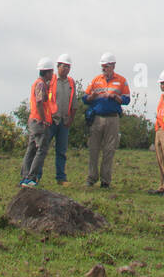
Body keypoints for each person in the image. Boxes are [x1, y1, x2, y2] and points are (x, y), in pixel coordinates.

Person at [84, 52, 130, 190]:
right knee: (93, 149)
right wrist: (91, 97)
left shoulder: (122, 81)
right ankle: (91, 178)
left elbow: (127, 99)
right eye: (102, 66)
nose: (103, 68)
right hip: (97, 118)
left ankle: (105, 181)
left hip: (112, 118)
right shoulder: (95, 80)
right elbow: (85, 98)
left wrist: (116, 97)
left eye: (106, 66)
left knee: (109, 150)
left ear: (113, 66)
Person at [36, 54, 75, 186]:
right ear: (58, 66)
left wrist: (71, 118)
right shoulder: (49, 80)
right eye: (63, 66)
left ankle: (61, 178)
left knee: (61, 151)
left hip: (64, 122)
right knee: (42, 149)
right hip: (51, 120)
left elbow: (73, 103)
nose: (66, 69)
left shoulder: (71, 82)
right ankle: (36, 176)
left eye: (68, 67)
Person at [19, 59, 54, 187]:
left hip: (33, 120)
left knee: (31, 149)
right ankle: (31, 177)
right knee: (41, 150)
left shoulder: (38, 83)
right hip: (39, 122)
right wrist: (44, 119)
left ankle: (25, 176)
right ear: (47, 72)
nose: (52, 74)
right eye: (51, 72)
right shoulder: (40, 84)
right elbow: (40, 102)